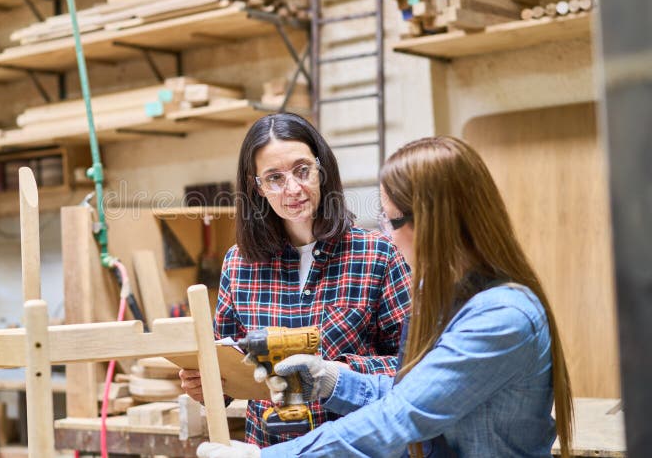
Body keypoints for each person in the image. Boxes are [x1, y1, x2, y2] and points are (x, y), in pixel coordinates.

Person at [198, 135, 574, 457]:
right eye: (384, 221)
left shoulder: (500, 319)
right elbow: (413, 387)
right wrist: (330, 381)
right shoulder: (448, 298)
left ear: (436, 221)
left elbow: (402, 413)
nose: (389, 235)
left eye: (394, 221)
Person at [178, 113, 412, 447]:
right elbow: (224, 363)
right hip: (269, 449)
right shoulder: (239, 263)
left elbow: (414, 366)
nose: (293, 189)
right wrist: (206, 384)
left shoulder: (378, 254)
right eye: (274, 178)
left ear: (322, 169)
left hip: (355, 448)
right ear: (257, 187)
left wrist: (334, 372)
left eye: (303, 170)